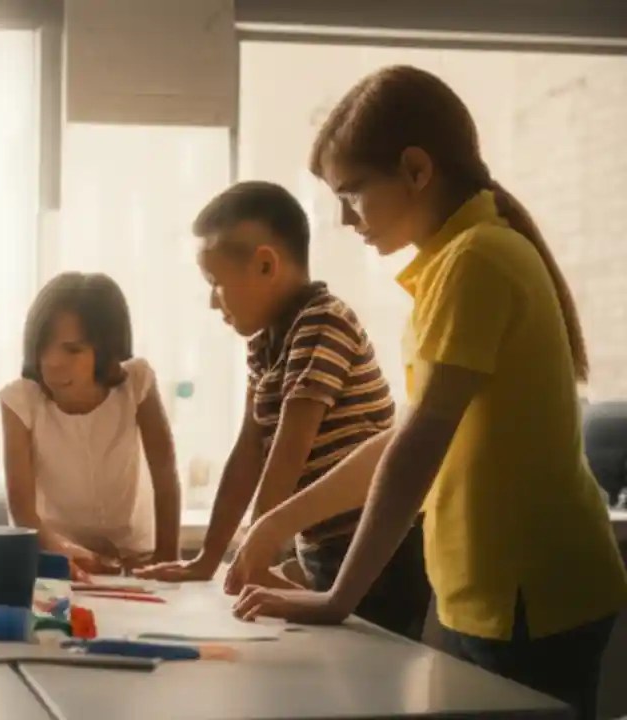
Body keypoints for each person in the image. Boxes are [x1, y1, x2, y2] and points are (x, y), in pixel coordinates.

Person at [230, 66, 627, 719]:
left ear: (417, 170)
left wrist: (338, 599)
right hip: (496, 594)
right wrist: (276, 523)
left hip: (530, 596)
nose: (344, 217)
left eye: (352, 193)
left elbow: (416, 451)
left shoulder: (476, 259)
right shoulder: (458, 261)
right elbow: (404, 436)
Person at [136, 182, 430, 639]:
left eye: (216, 283)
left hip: (378, 552)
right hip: (322, 550)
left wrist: (258, 543)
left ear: (266, 265)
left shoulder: (323, 321)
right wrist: (209, 560)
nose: (214, 301)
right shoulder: (265, 347)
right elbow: (248, 454)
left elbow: (292, 445)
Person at [0, 272, 181, 574]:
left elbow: (165, 474)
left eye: (73, 349)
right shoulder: (20, 400)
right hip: (57, 559)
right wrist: (67, 552)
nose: (53, 362)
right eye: (45, 347)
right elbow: (22, 512)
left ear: (107, 350)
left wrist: (167, 557)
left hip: (135, 558)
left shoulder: (136, 382)